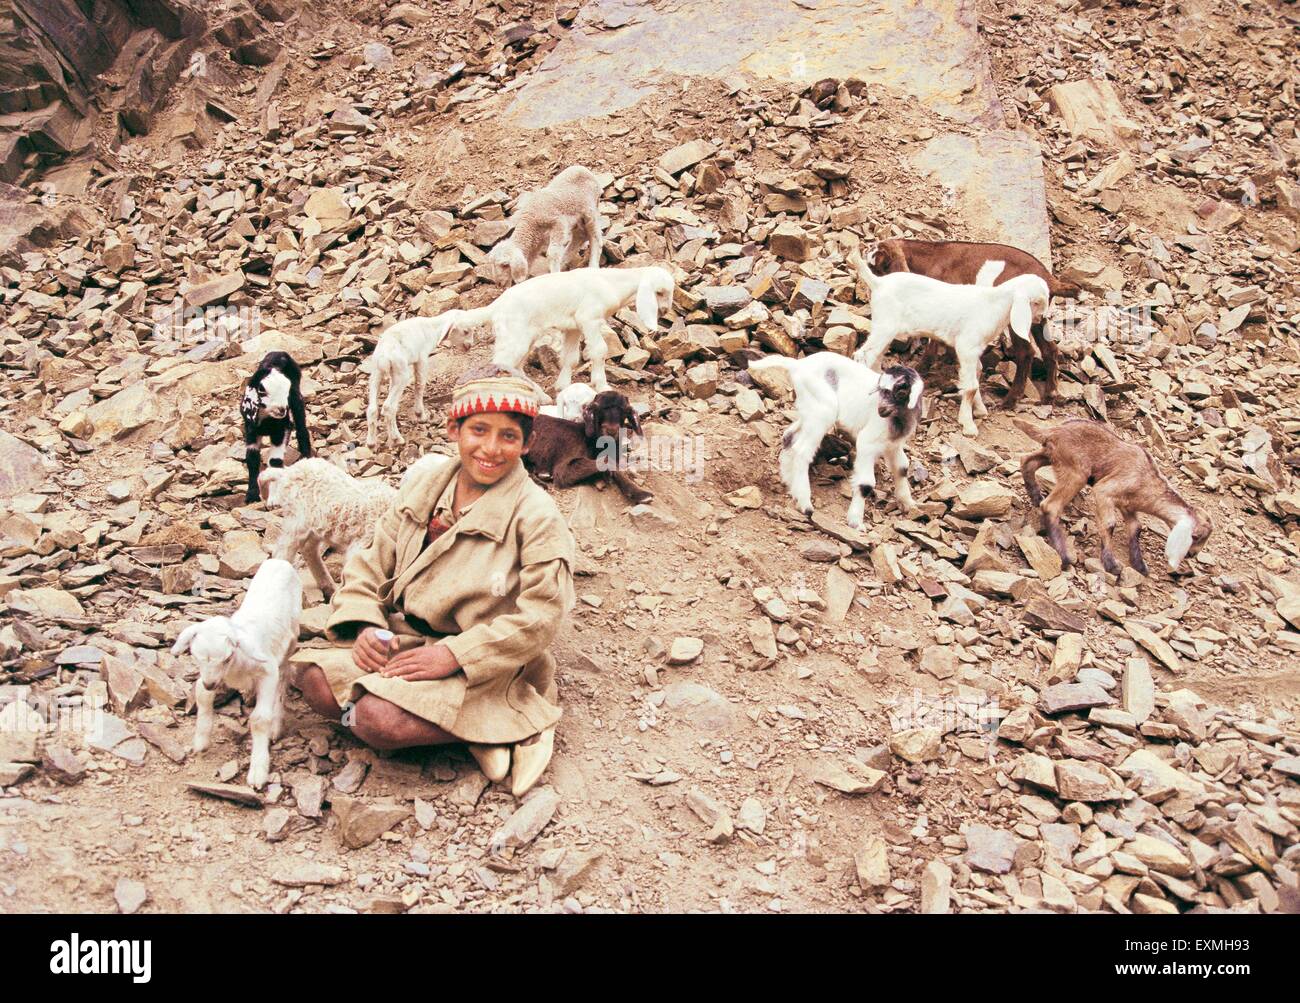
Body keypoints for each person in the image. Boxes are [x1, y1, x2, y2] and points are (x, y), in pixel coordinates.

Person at [291, 364, 576, 796]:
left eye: (509, 437)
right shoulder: (424, 485)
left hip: (484, 661)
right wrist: (366, 624)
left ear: (528, 442)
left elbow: (540, 617)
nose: (491, 449)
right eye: (478, 430)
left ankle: (502, 725)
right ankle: (468, 729)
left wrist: (454, 656)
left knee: (374, 721)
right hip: (406, 641)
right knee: (312, 680)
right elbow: (370, 563)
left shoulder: (537, 516)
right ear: (454, 429)